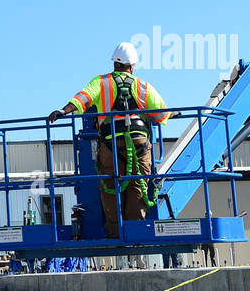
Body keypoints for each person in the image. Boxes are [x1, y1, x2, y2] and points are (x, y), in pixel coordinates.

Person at [48, 42, 170, 239]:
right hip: (139, 143)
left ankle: (114, 232)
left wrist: (63, 111)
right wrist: (175, 114)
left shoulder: (100, 82)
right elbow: (162, 113)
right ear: (132, 66)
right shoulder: (143, 86)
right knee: (138, 186)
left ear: (114, 64)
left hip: (110, 144)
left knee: (109, 187)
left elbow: (82, 99)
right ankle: (136, 233)